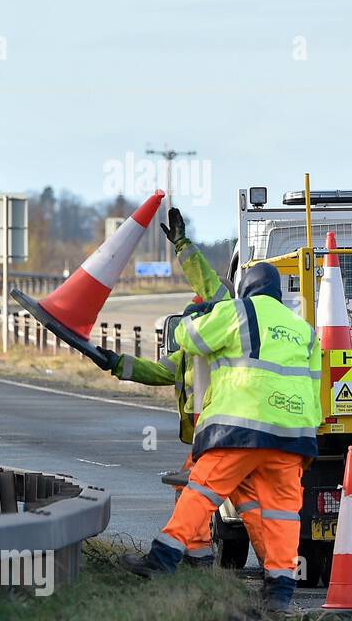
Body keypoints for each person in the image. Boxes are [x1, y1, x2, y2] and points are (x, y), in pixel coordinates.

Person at [120, 262, 321, 612]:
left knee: (201, 490)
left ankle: (163, 558)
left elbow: (191, 338)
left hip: (241, 426)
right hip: (293, 435)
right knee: (284, 514)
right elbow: (315, 385)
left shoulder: (237, 312)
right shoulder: (304, 330)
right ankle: (279, 593)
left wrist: (190, 319)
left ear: (246, 288)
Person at [86, 209, 267, 567]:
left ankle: (263, 566)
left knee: (207, 491)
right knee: (212, 493)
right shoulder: (188, 354)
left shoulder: (226, 334)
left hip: (227, 434)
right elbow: (156, 370)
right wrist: (114, 363)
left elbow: (210, 288)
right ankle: (216, 558)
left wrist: (183, 246)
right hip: (219, 437)